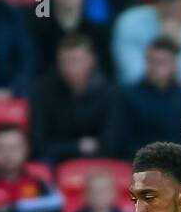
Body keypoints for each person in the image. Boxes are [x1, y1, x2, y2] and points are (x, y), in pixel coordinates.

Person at [30, 33, 118, 165]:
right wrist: (77, 146)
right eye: (64, 62)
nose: (70, 69)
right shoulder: (43, 91)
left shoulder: (109, 93)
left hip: (99, 163)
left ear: (92, 61)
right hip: (56, 163)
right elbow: (38, 145)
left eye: (76, 61)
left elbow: (112, 145)